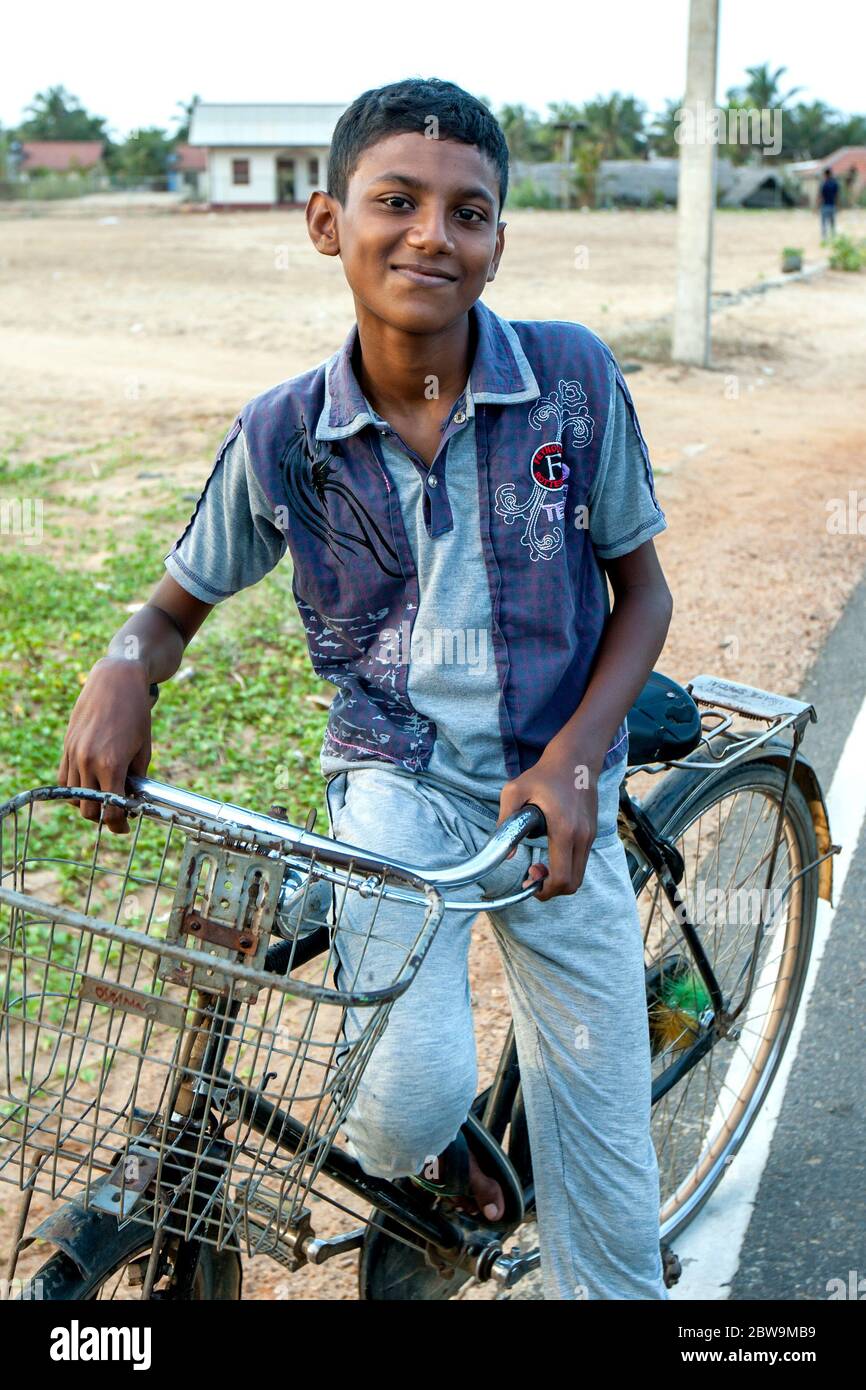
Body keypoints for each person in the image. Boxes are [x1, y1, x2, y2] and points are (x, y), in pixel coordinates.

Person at [58, 77, 674, 1300]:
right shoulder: (284, 432)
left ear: (497, 245)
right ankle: (447, 1153)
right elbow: (171, 608)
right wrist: (126, 664)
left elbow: (640, 592)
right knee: (396, 1113)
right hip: (393, 793)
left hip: (550, 797)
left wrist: (572, 760)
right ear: (327, 221)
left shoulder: (569, 382)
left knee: (605, 1159)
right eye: (396, 201)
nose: (431, 234)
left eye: (468, 211)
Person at [819, 166, 839, 241]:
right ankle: (833, 237)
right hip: (832, 205)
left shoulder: (823, 184)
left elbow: (821, 196)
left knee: (824, 223)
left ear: (825, 174)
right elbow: (837, 196)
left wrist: (816, 206)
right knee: (832, 223)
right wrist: (838, 205)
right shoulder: (835, 184)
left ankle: (824, 238)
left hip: (825, 206)